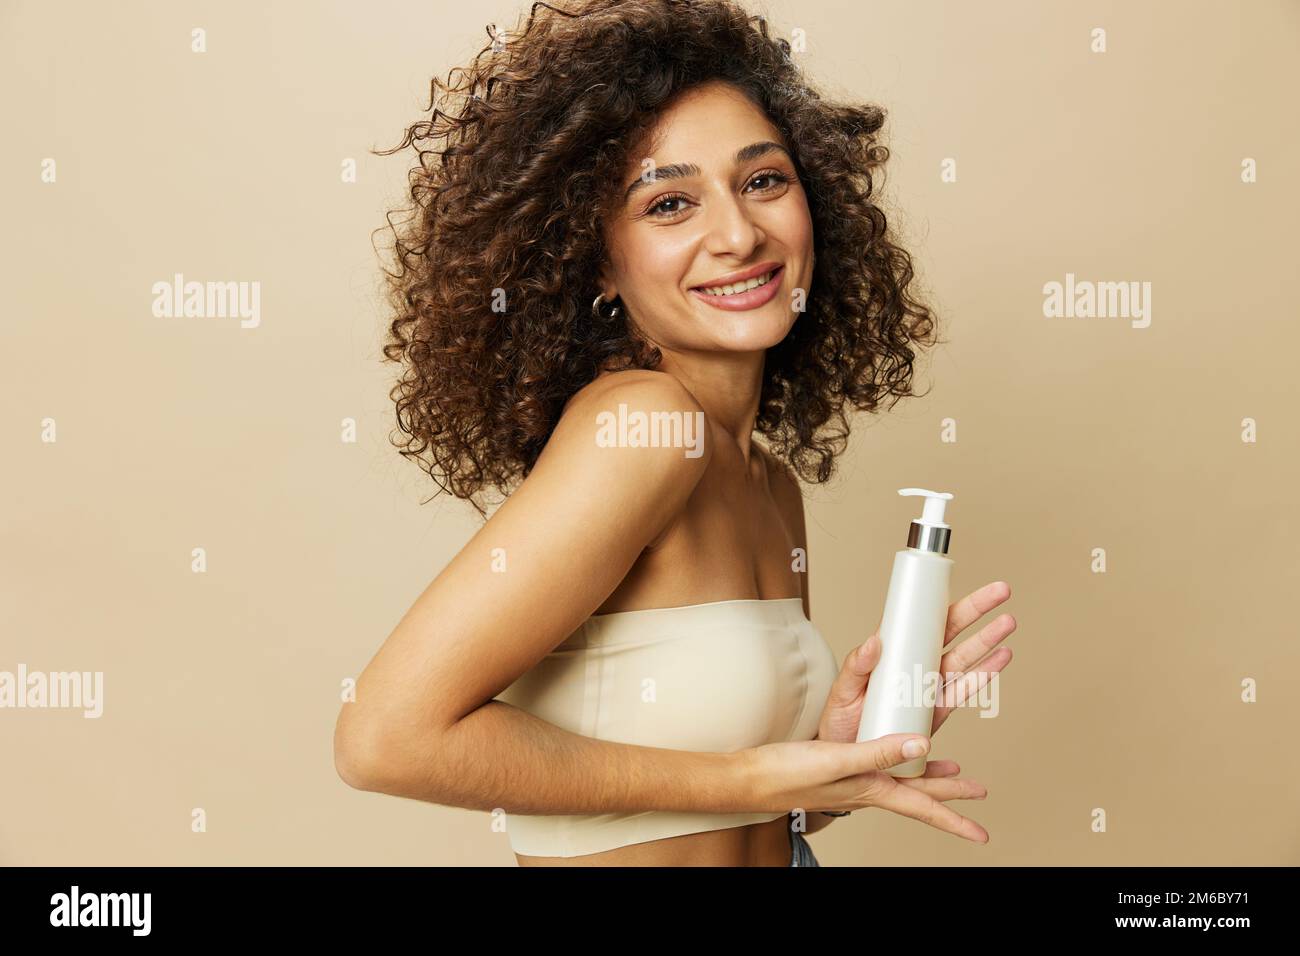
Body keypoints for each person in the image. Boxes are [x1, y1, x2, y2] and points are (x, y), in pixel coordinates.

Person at [334, 0, 1017, 866]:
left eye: (764, 181)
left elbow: (728, 813)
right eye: (668, 204)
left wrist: (833, 769)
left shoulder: (768, 480)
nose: (737, 235)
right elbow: (386, 739)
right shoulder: (644, 428)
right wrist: (756, 780)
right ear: (598, 261)